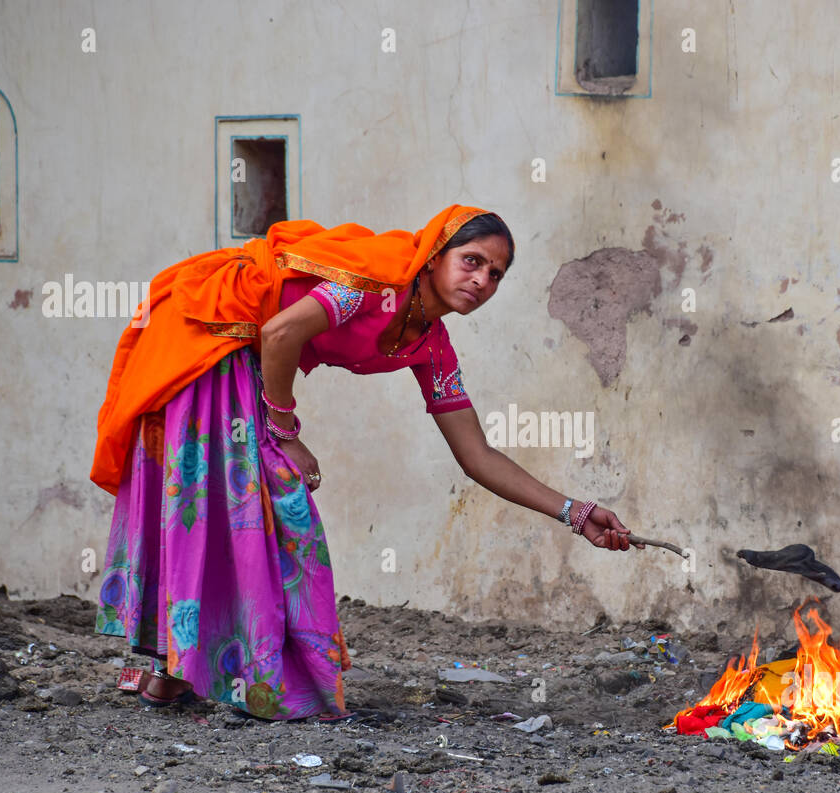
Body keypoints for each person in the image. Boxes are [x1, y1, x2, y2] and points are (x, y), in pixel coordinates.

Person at [90, 204, 644, 720]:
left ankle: (174, 670)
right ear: (433, 257)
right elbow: (280, 330)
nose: (482, 281)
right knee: (251, 504)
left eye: (496, 274)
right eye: (471, 261)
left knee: (237, 504)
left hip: (245, 354)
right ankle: (186, 669)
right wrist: (285, 430)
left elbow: (476, 455)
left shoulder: (432, 345)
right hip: (209, 331)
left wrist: (574, 511)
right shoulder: (377, 285)